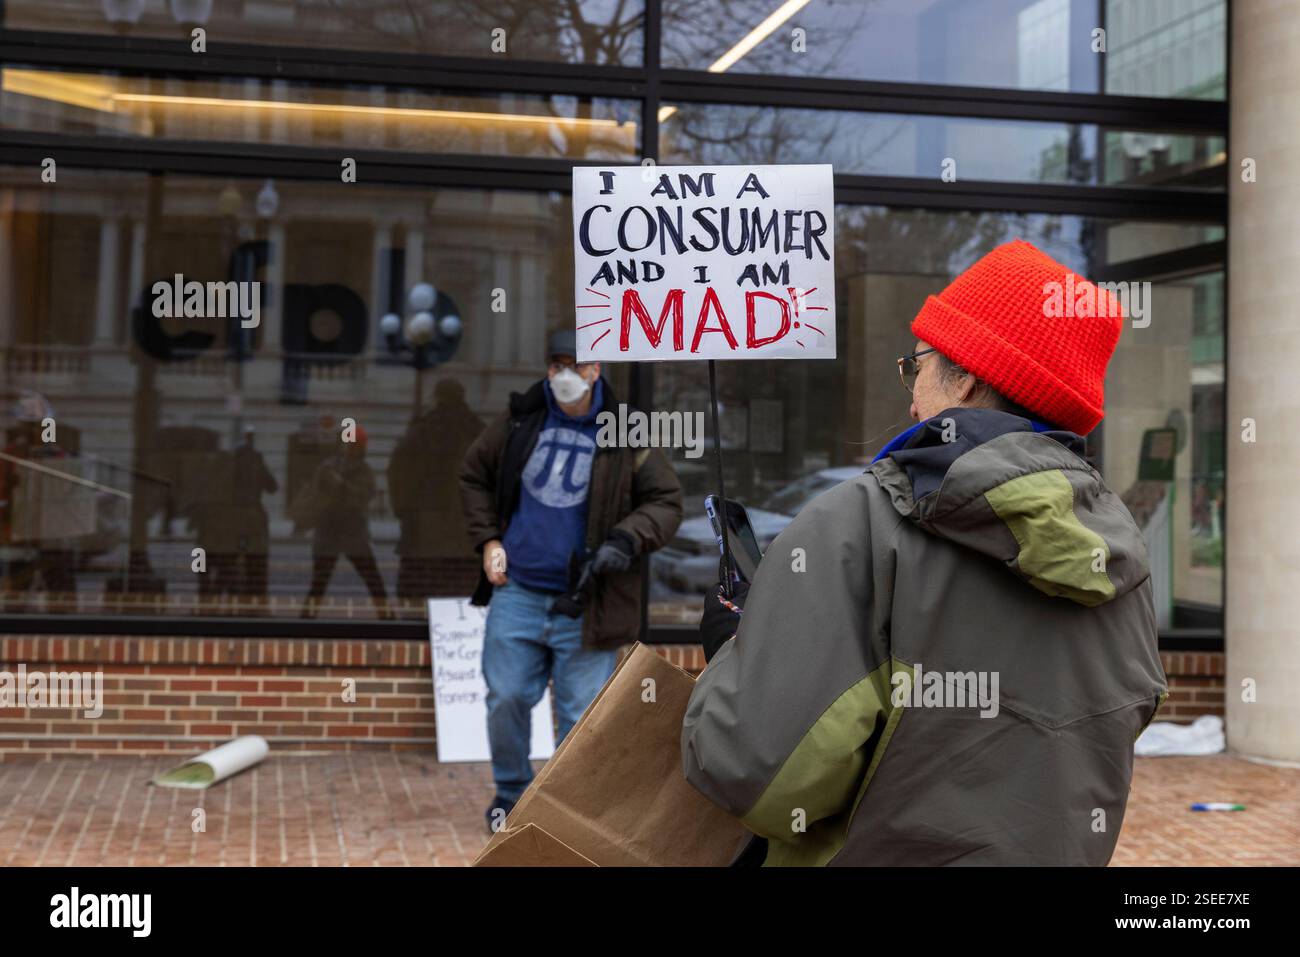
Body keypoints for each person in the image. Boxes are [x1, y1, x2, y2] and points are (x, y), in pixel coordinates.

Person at [684, 239, 1168, 866]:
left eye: (917, 367)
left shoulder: (858, 521)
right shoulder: (1117, 545)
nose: (910, 398)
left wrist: (737, 655)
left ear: (964, 377)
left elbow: (757, 772)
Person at [460, 330, 684, 832]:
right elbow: (473, 475)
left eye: (573, 365)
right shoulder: (523, 417)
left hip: (587, 597)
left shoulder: (626, 430)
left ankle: (562, 808)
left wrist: (627, 538)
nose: (562, 375)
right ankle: (512, 794)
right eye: (555, 364)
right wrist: (489, 541)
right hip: (516, 590)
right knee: (507, 697)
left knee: (582, 715)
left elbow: (666, 502)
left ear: (595, 370)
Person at [300, 426, 391, 619]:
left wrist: (341, 485)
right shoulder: (329, 467)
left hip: (349, 531)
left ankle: (388, 616)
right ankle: (306, 618)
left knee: (371, 578)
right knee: (321, 581)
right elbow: (317, 495)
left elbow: (363, 496)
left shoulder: (358, 469)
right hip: (334, 530)